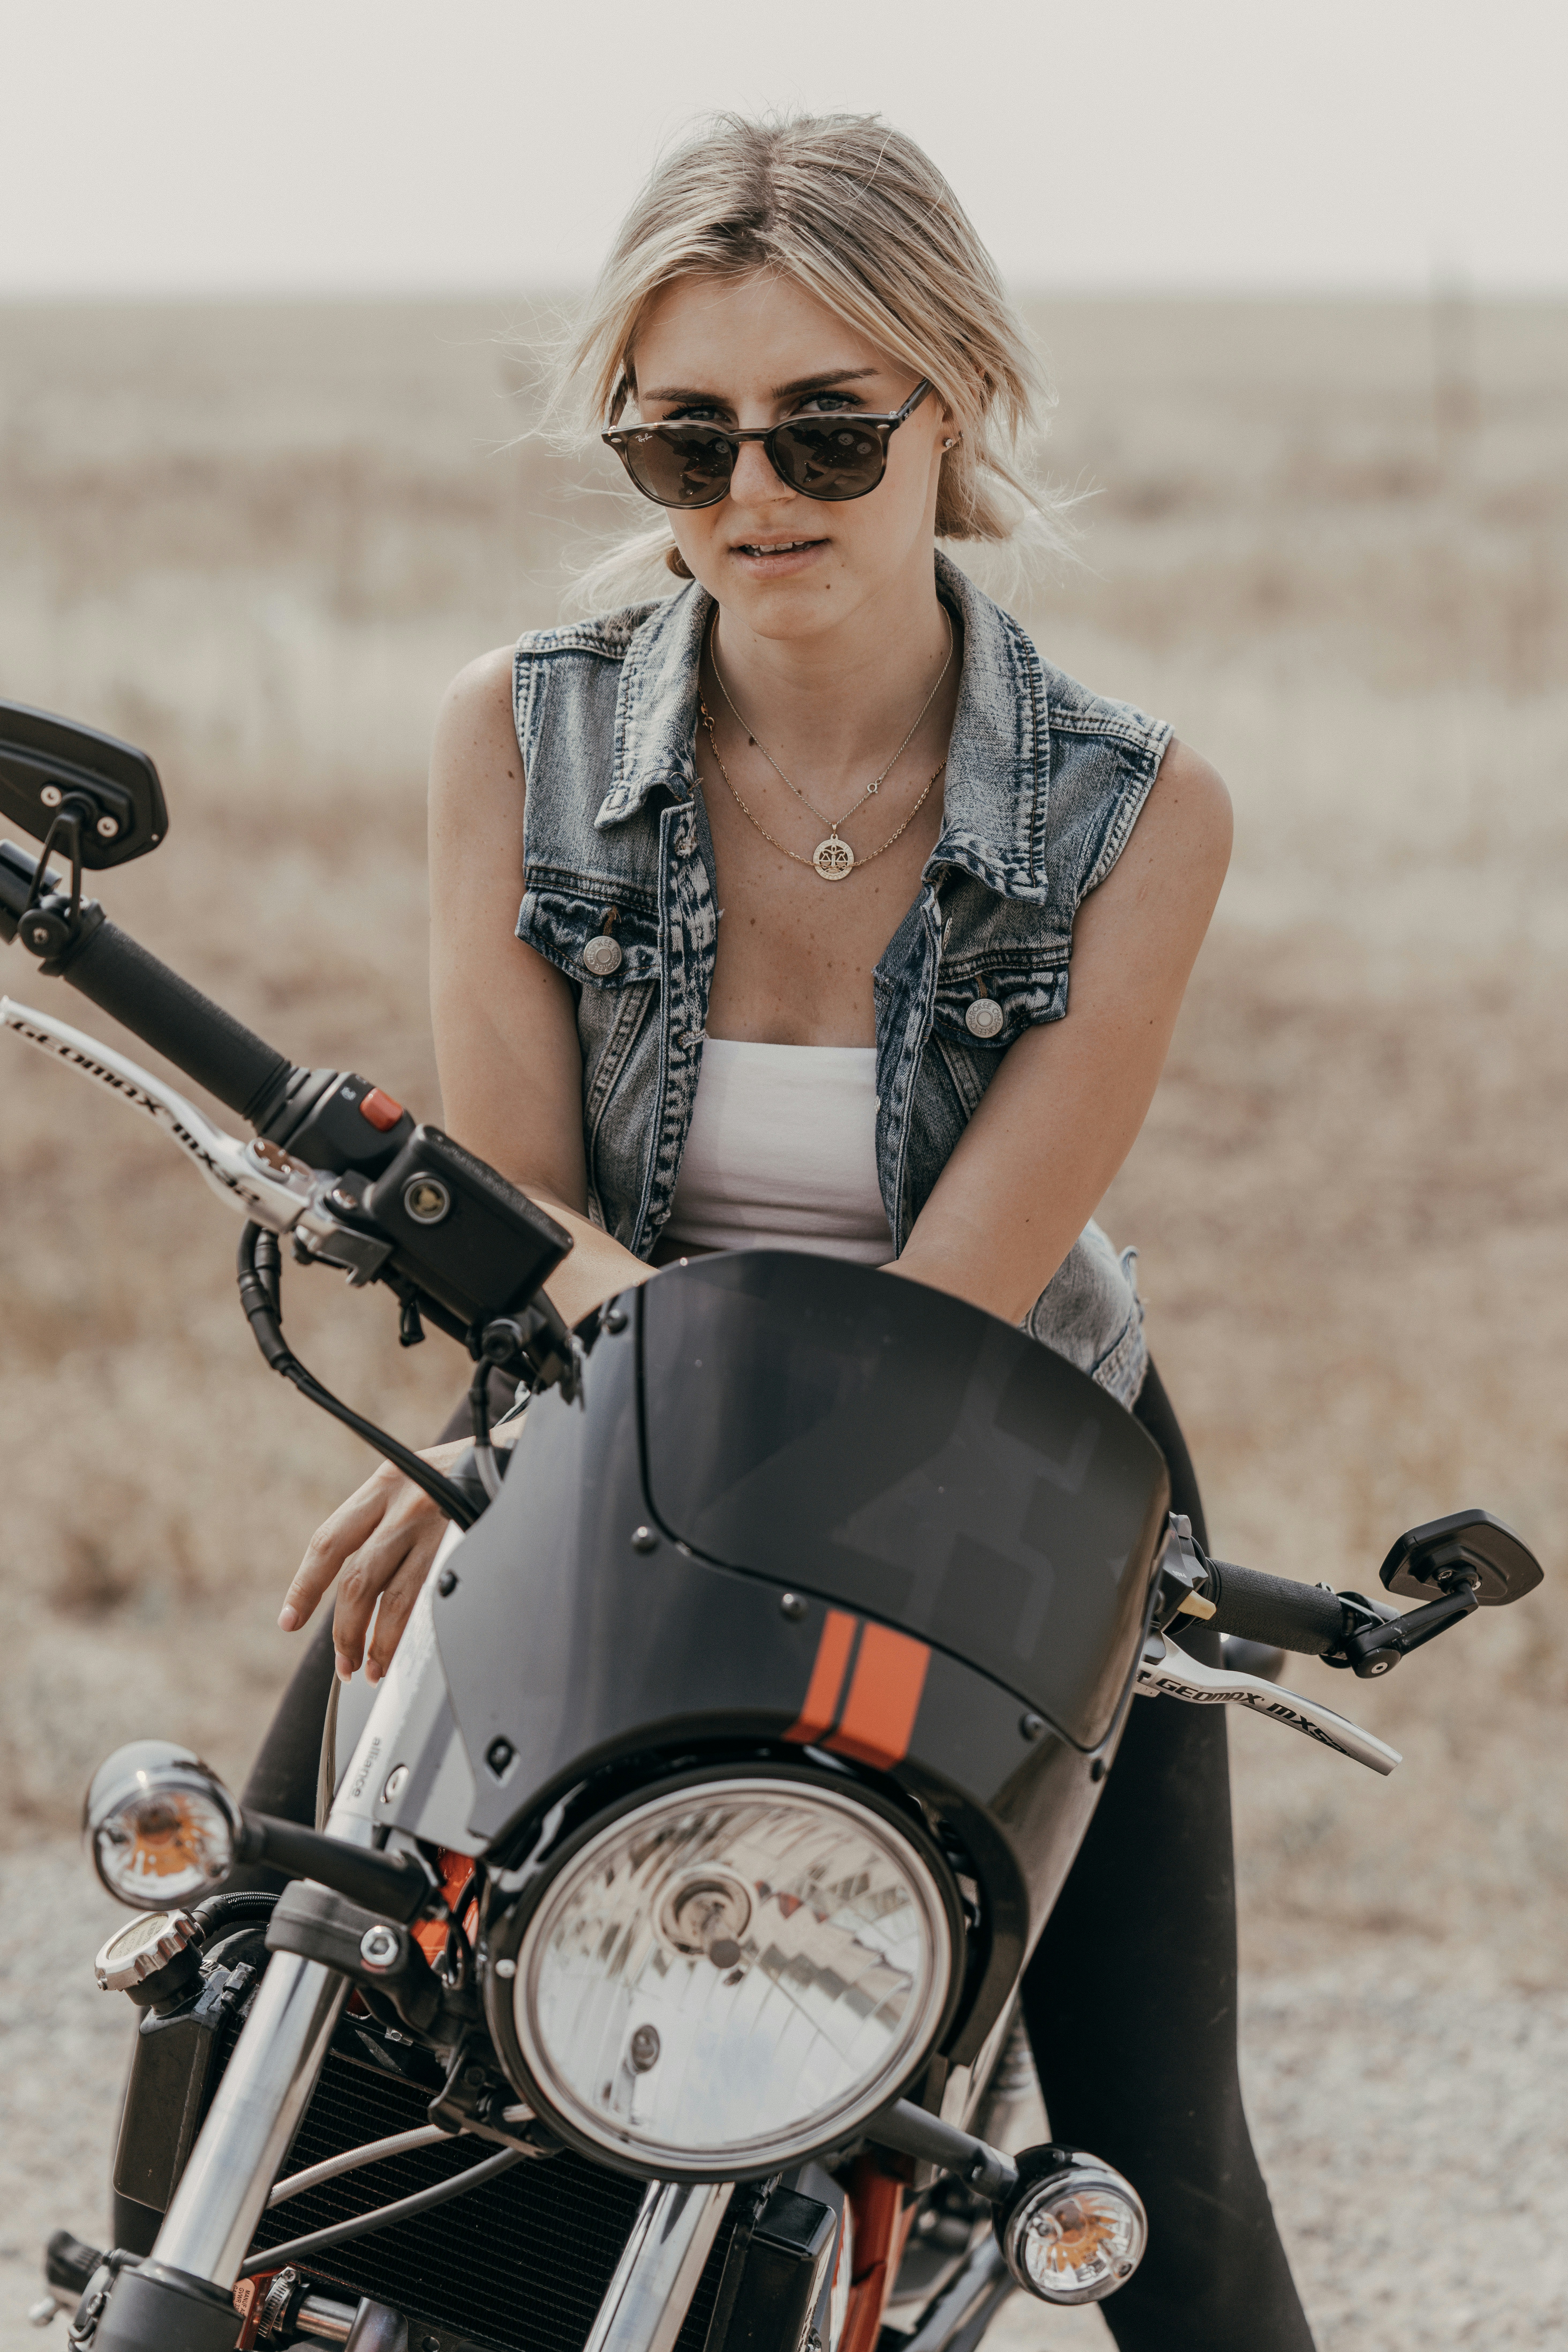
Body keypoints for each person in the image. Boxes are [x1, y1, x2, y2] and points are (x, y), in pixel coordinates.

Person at [255, 114, 1314, 2350]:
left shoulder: (1140, 813)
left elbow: (951, 1312)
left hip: (1000, 1452)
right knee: (285, 1996)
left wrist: (605, 1388)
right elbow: (522, 1205)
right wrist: (511, 1439)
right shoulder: (515, 738)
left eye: (827, 429)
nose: (755, 494)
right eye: (686, 439)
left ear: (959, 401)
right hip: (596, 1424)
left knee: (1159, 2167)